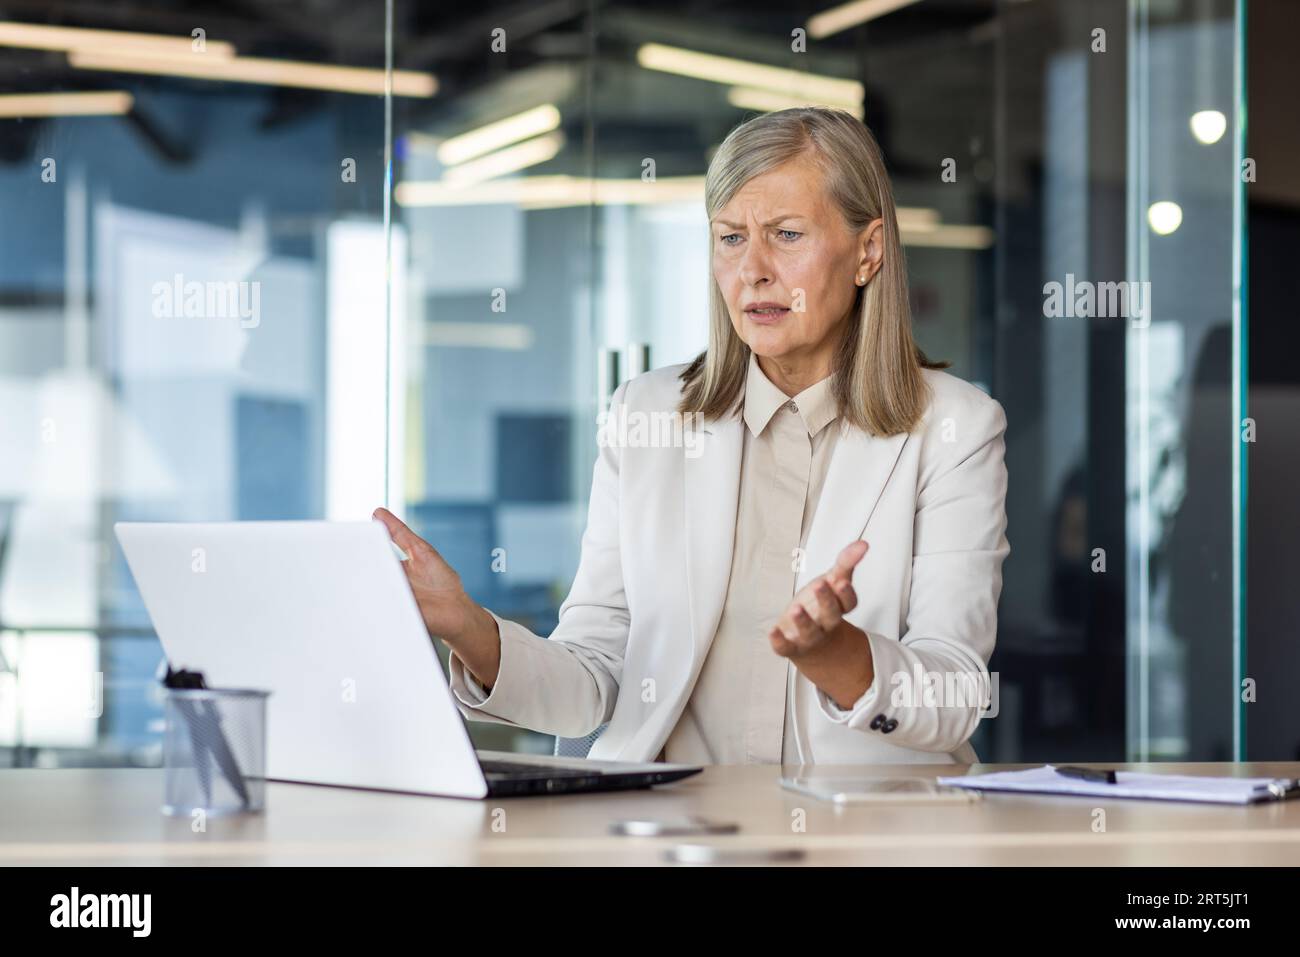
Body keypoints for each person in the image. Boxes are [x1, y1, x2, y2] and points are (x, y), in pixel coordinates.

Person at [374, 106, 1009, 766]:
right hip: (671, 829)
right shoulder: (645, 416)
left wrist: (840, 657)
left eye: (787, 234)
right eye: (731, 238)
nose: (754, 270)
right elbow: (594, 678)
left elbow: (957, 688)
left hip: (858, 829)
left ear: (868, 251)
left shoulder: (955, 428)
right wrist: (469, 629)